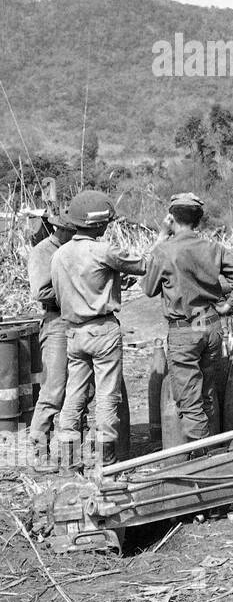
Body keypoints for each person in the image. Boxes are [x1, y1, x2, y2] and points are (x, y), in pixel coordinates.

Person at [141, 194, 233, 445]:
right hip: (211, 325)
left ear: (171, 218)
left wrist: (161, 236)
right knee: (207, 392)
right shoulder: (213, 247)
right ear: (199, 220)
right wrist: (228, 305)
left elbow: (148, 288)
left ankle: (203, 457)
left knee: (189, 400)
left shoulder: (164, 250)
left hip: (185, 331)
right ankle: (211, 444)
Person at [49, 190, 148, 468]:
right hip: (102, 331)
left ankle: (69, 465)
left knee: (74, 395)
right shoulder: (103, 251)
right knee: (107, 397)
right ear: (99, 224)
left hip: (73, 333)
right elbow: (143, 264)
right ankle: (107, 465)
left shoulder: (59, 255)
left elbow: (60, 294)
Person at [25, 209, 76, 471]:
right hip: (56, 322)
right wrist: (77, 288)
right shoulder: (43, 251)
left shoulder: (75, 248)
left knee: (80, 390)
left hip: (78, 322)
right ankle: (39, 451)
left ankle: (75, 452)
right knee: (53, 390)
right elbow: (40, 291)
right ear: (63, 229)